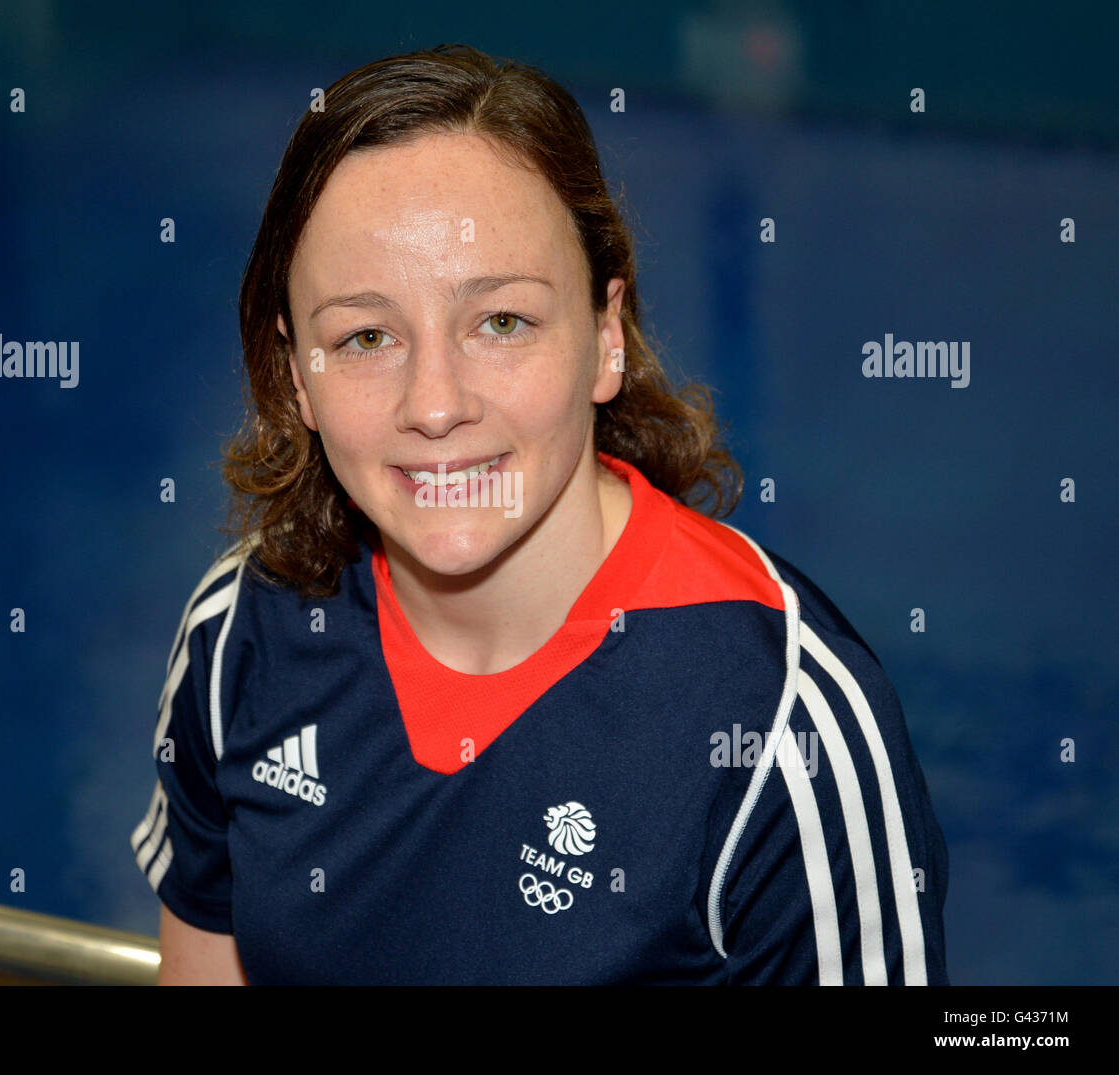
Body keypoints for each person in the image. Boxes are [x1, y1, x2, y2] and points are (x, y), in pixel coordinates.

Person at [129, 43, 949, 985]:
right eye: (365, 336)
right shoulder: (242, 633)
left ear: (606, 335)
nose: (435, 405)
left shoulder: (783, 724)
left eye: (502, 322)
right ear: (296, 376)